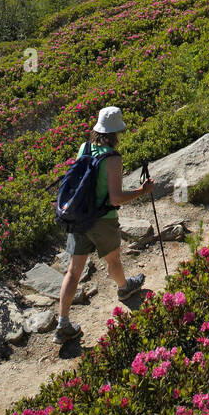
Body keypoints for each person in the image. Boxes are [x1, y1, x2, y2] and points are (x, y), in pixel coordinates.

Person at [55, 106, 153, 345]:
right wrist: (142, 191)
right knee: (113, 260)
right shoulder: (112, 158)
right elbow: (116, 198)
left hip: (79, 217)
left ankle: (63, 324)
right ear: (116, 132)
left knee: (74, 270)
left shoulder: (84, 147)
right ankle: (124, 288)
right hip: (102, 220)